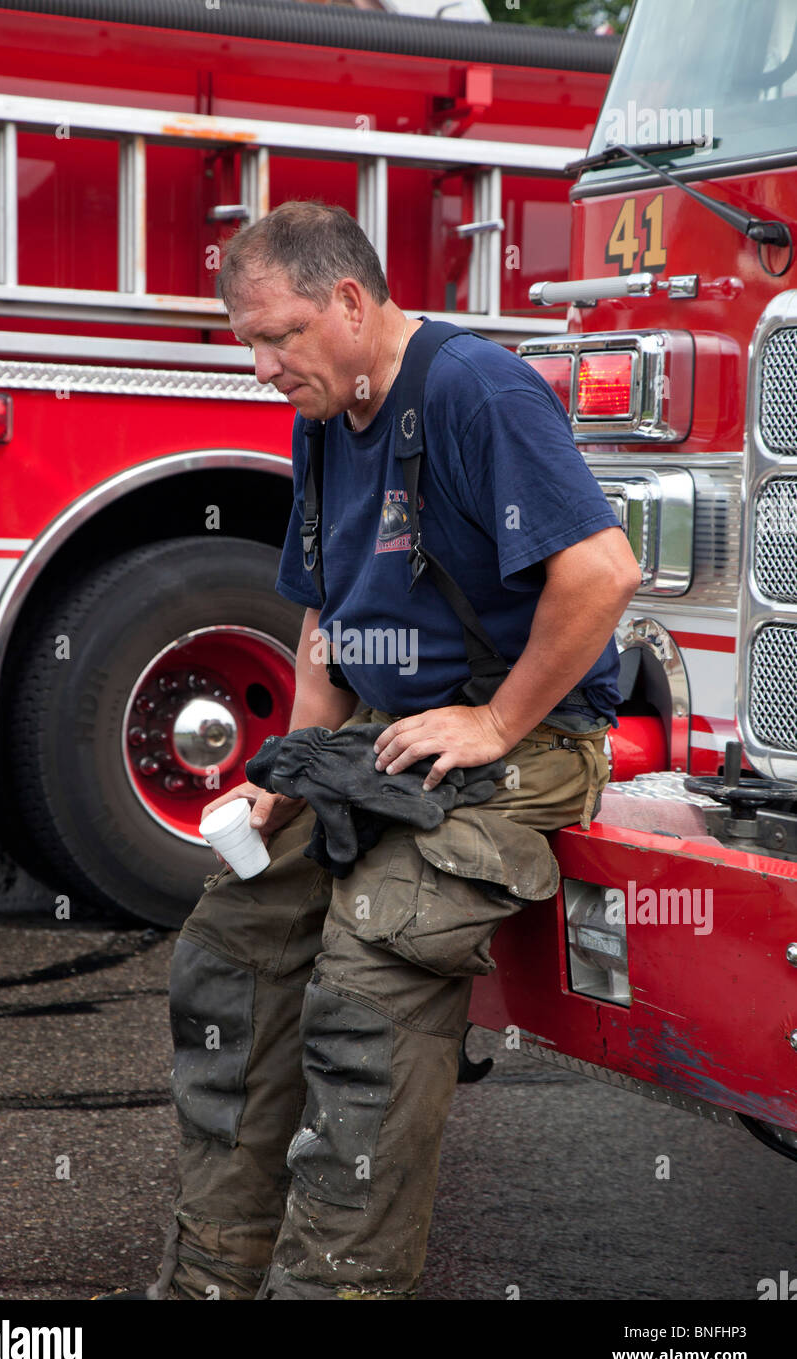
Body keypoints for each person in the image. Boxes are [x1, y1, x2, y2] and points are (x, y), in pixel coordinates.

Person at [144, 201, 641, 1301]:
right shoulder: (324, 411)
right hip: (384, 740)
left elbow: (603, 572)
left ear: (352, 301)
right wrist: (290, 769)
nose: (266, 367)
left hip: (529, 743)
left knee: (368, 972)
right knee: (230, 948)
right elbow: (324, 618)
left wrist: (497, 723)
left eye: (280, 337)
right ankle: (210, 1280)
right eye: (250, 347)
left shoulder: (474, 389)